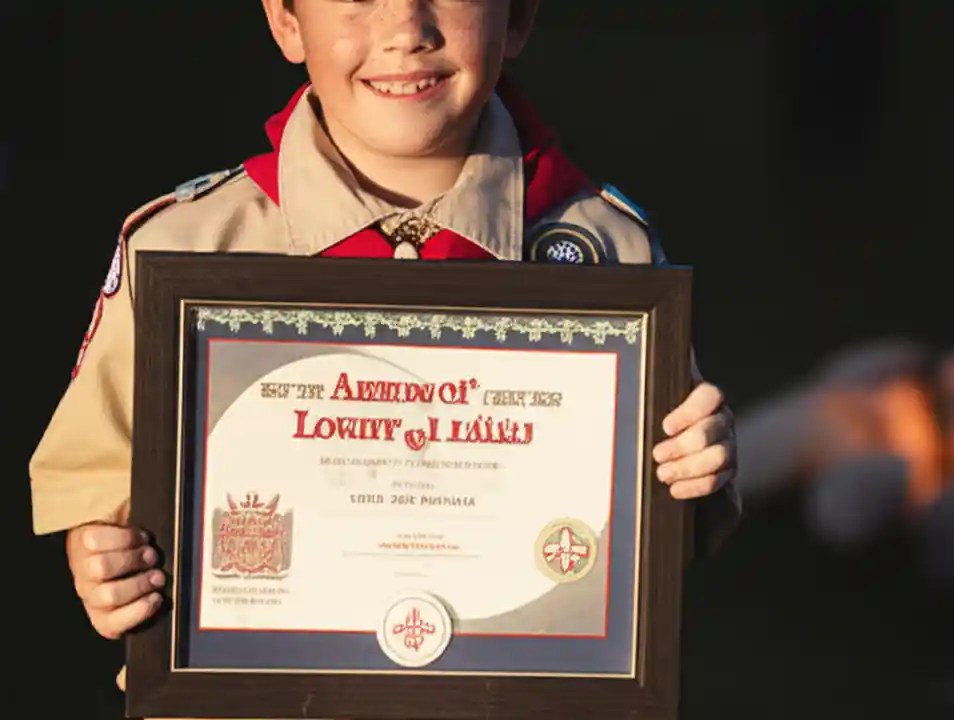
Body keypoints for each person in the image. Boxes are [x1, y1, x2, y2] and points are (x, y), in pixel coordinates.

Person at [28, 0, 741, 706]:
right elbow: (96, 473)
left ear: (518, 17)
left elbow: (658, 538)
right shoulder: (185, 248)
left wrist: (696, 466)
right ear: (285, 20)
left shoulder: (608, 256)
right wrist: (103, 555)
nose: (406, 30)